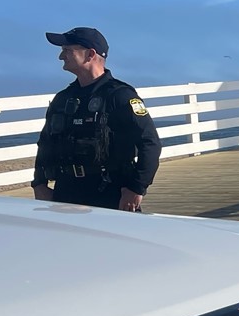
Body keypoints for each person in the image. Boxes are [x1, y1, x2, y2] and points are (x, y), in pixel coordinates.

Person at [30, 27, 161, 211]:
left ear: (90, 54)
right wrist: (39, 184)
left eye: (67, 50)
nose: (61, 56)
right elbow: (45, 144)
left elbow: (150, 143)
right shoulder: (62, 99)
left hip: (110, 192)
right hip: (66, 193)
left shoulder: (120, 96)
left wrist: (136, 187)